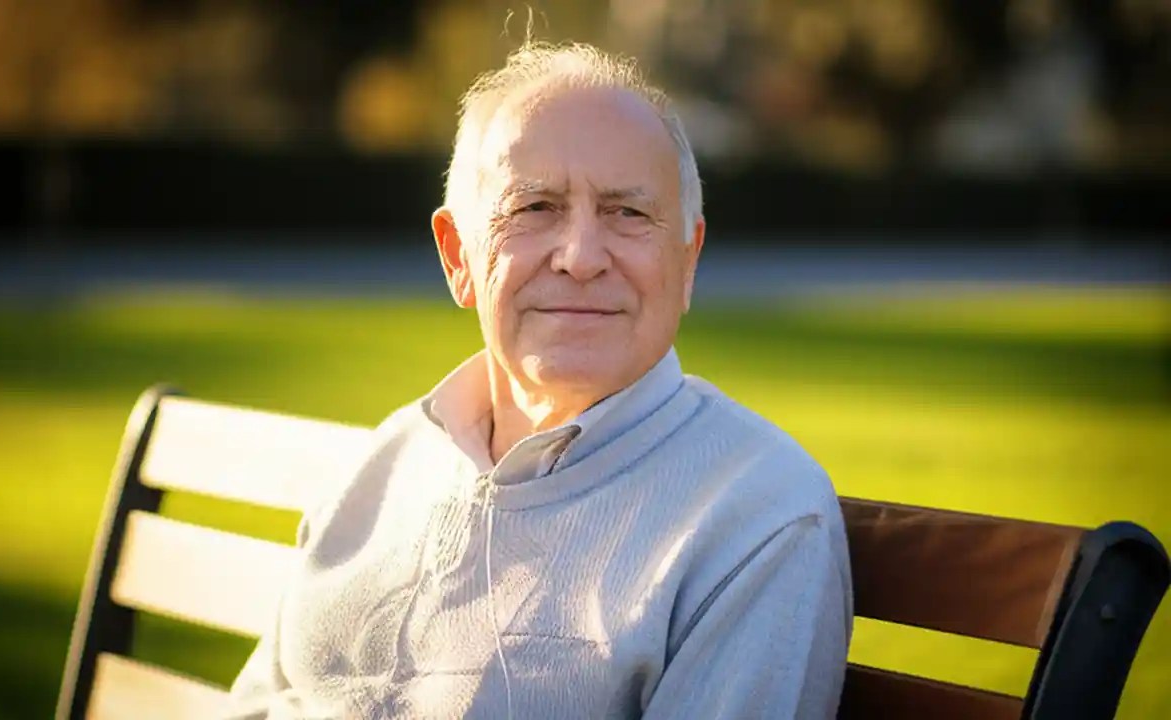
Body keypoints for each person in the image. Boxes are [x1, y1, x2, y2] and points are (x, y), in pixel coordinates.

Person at [225, 41, 852, 720]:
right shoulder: (385, 463)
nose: (581, 257)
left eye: (628, 213)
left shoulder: (758, 516)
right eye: (534, 208)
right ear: (458, 257)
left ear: (688, 259)